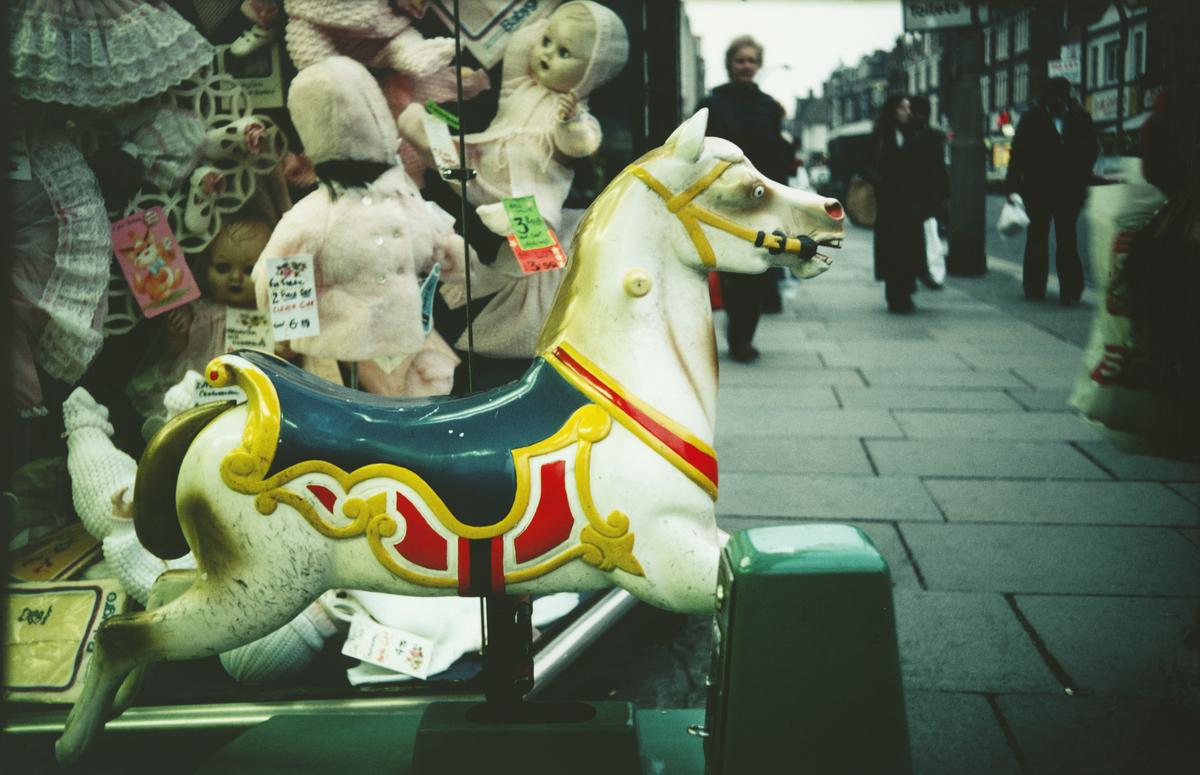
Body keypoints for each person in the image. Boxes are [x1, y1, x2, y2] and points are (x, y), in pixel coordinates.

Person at [698, 35, 791, 362]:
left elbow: (778, 155)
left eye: (752, 60)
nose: (746, 66)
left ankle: (743, 334)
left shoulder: (769, 106)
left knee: (756, 268)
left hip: (761, 198)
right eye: (741, 60)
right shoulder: (712, 103)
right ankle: (739, 335)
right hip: (724, 196)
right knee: (731, 268)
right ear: (730, 64)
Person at [1005, 77, 1098, 305]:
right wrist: (1012, 187)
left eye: (1063, 95)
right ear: (1048, 97)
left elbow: (1091, 149)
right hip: (1039, 188)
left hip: (1067, 189)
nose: (1060, 100)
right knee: (1038, 237)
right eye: (1056, 96)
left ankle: (1071, 292)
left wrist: (1079, 171)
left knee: (1066, 239)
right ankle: (1035, 288)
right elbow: (1017, 155)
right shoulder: (1033, 118)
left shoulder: (1078, 117)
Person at [867, 95, 924, 313]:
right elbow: (866, 163)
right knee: (892, 250)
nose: (907, 112)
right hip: (889, 203)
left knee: (909, 249)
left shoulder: (914, 134)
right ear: (893, 111)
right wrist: (879, 183)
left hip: (909, 203)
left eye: (908, 108)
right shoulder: (881, 135)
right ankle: (894, 294)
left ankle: (906, 290)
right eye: (903, 108)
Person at [908, 95, 949, 290]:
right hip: (923, 196)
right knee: (928, 235)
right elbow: (940, 169)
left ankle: (924, 270)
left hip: (923, 197)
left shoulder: (923, 137)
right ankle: (924, 271)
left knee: (928, 235)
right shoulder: (933, 137)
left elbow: (940, 169)